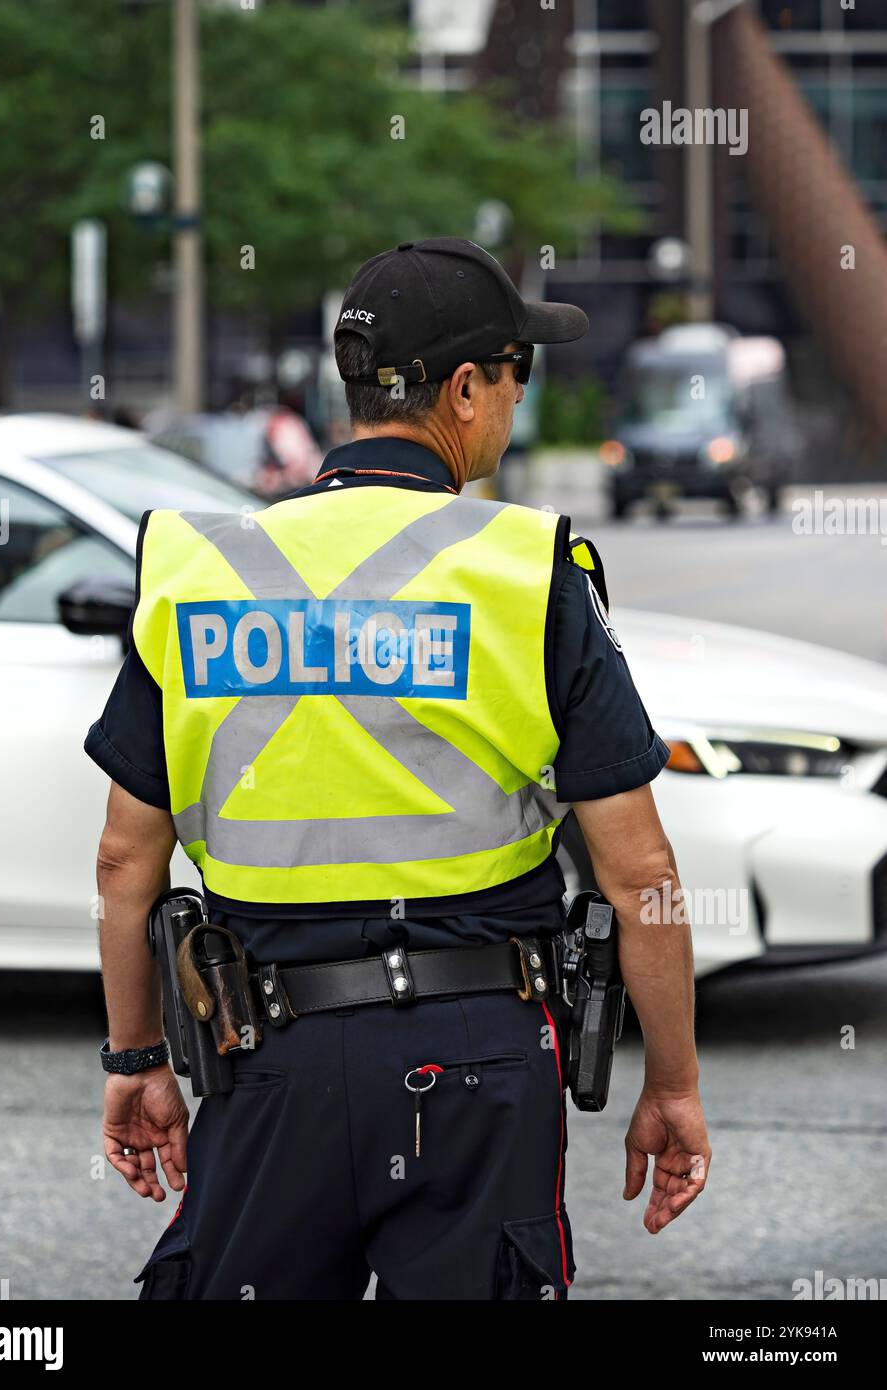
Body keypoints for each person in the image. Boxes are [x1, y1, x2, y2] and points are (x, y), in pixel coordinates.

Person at [85, 236, 710, 1301]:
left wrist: (135, 1056)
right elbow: (638, 861)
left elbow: (120, 860)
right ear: (466, 389)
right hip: (480, 1060)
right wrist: (677, 1081)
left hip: (268, 1054)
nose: (515, 404)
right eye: (518, 374)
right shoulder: (524, 574)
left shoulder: (198, 571)